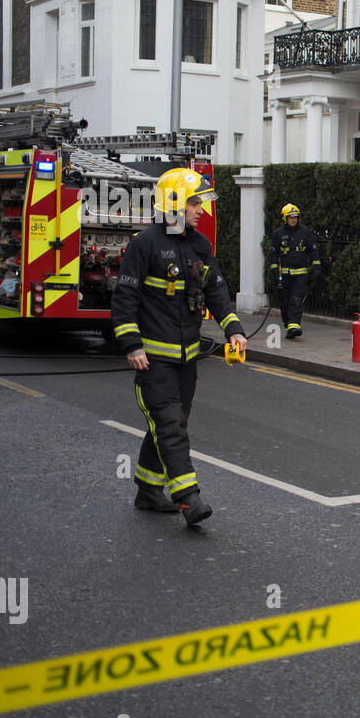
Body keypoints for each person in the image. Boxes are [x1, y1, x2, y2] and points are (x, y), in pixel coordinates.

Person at [112, 168, 247, 526]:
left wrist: (233, 329)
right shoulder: (145, 245)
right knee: (170, 425)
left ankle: (147, 490)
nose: (200, 209)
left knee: (169, 424)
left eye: (200, 202)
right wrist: (131, 344)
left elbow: (215, 290)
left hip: (187, 359)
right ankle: (188, 498)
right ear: (173, 203)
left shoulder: (200, 245)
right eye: (193, 202)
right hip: (152, 361)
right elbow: (124, 297)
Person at [267, 203, 321, 339]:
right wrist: (274, 271)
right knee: (284, 303)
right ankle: (289, 325)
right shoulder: (278, 234)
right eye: (290, 218)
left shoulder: (305, 232)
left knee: (296, 300)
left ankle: (295, 324)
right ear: (285, 218)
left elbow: (313, 250)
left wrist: (316, 268)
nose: (293, 220)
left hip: (300, 275)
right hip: (284, 275)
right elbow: (273, 255)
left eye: (295, 217)